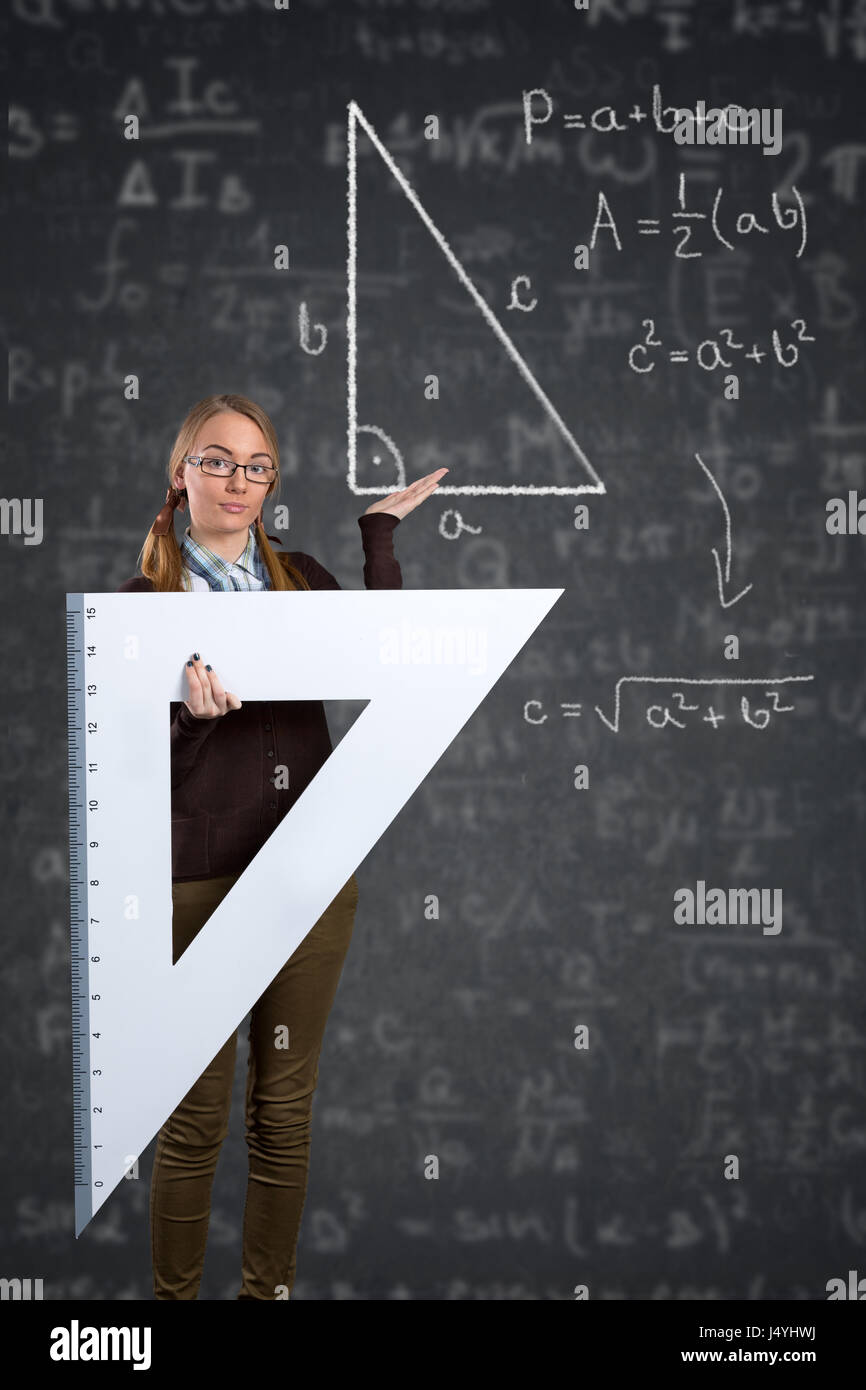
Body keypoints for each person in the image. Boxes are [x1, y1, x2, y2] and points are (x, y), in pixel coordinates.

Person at [117, 392, 446, 1298]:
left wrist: (377, 534)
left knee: (284, 1115)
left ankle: (268, 1297)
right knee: (192, 1123)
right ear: (180, 474)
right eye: (217, 460)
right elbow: (127, 763)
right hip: (198, 885)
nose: (237, 480)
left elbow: (393, 657)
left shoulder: (300, 577)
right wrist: (186, 720)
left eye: (256, 466)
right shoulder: (141, 605)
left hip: (308, 878)